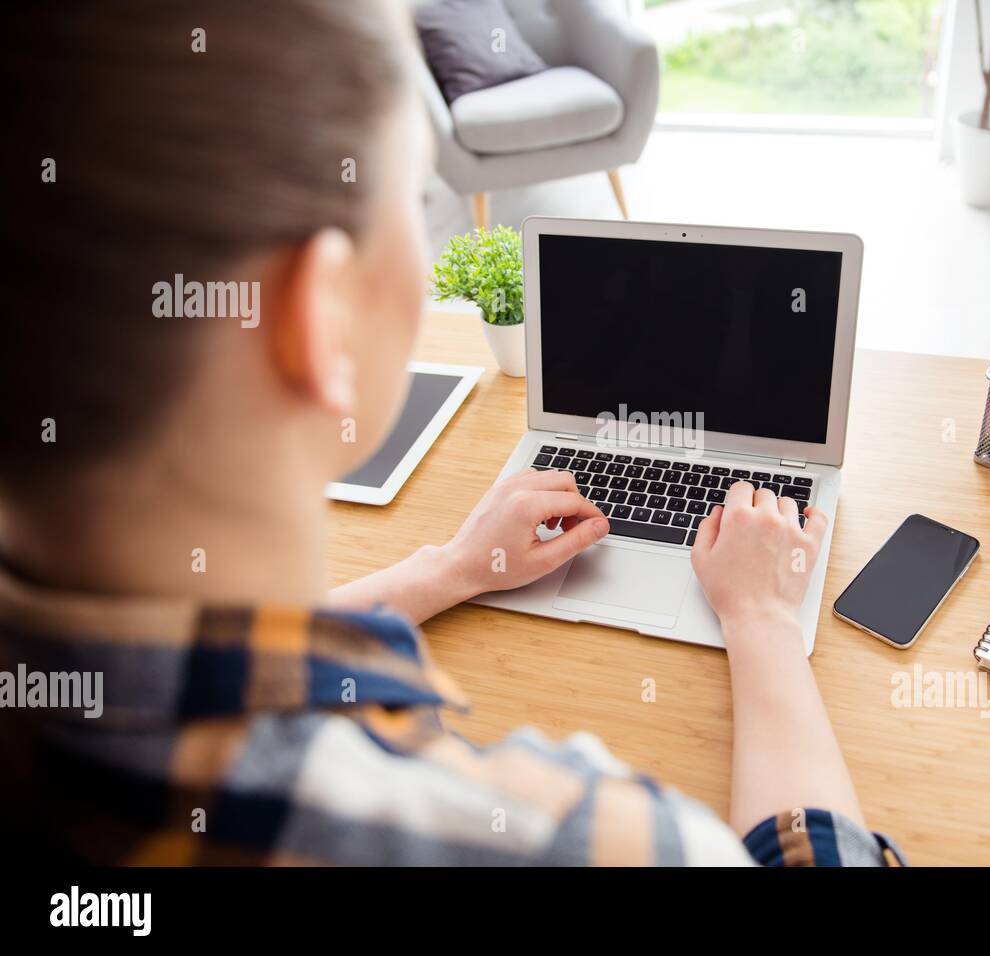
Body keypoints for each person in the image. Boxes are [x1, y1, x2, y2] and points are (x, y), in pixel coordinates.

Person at [0, 0, 901, 867]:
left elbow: (181, 665)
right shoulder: (584, 841)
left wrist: (454, 567)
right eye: (411, 191)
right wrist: (763, 619)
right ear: (318, 319)